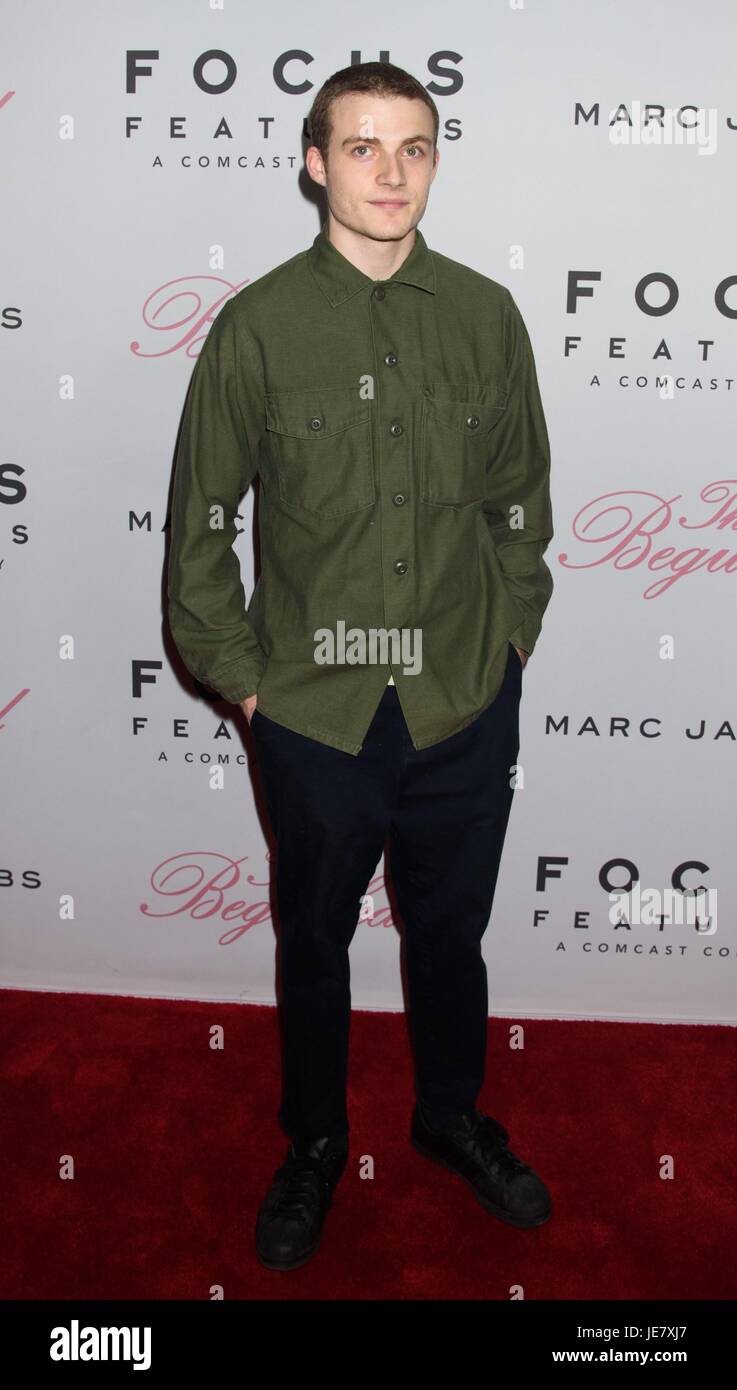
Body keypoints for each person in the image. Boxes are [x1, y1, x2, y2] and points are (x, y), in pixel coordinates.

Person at [167, 60, 555, 1273]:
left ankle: (448, 1117)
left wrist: (510, 635)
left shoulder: (486, 316)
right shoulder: (257, 327)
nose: (390, 172)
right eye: (362, 146)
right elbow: (201, 526)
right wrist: (248, 684)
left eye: (413, 147)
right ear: (313, 162)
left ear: (434, 161)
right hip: (315, 708)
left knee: (449, 933)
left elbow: (518, 501)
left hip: (460, 697)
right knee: (314, 939)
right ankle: (315, 1142)